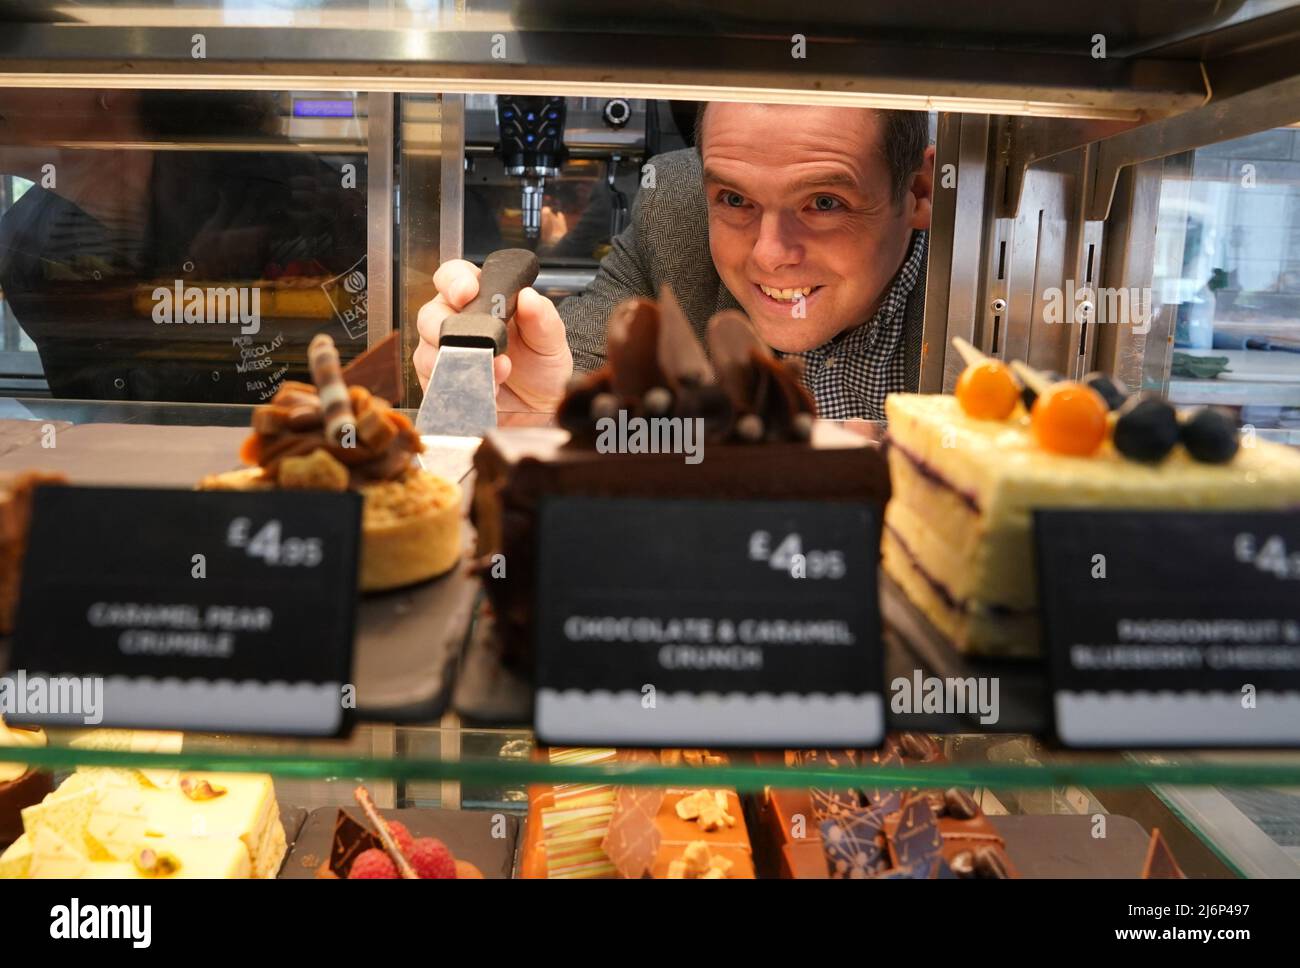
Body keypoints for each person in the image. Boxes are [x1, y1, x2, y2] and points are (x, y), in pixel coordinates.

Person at [416, 102, 935, 420]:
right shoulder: (676, 209)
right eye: (735, 200)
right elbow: (582, 361)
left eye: (824, 202)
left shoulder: (973, 285)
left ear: (917, 191)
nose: (770, 255)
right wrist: (534, 397)